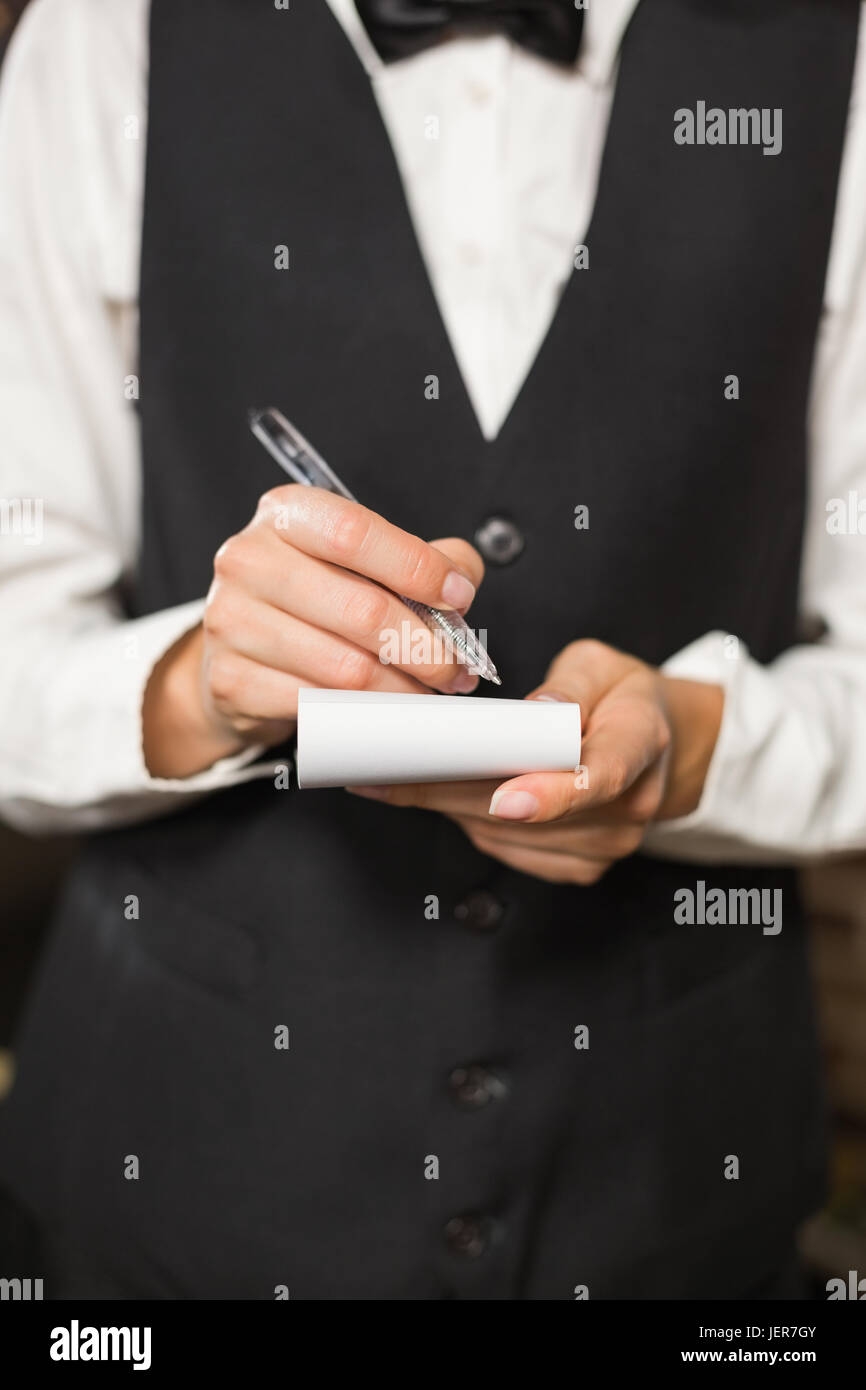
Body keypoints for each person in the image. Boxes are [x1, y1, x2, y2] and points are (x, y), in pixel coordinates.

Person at [0, 0, 864, 1300]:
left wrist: (691, 744)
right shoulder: (104, 27)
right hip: (176, 1185)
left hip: (675, 1187)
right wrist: (206, 683)